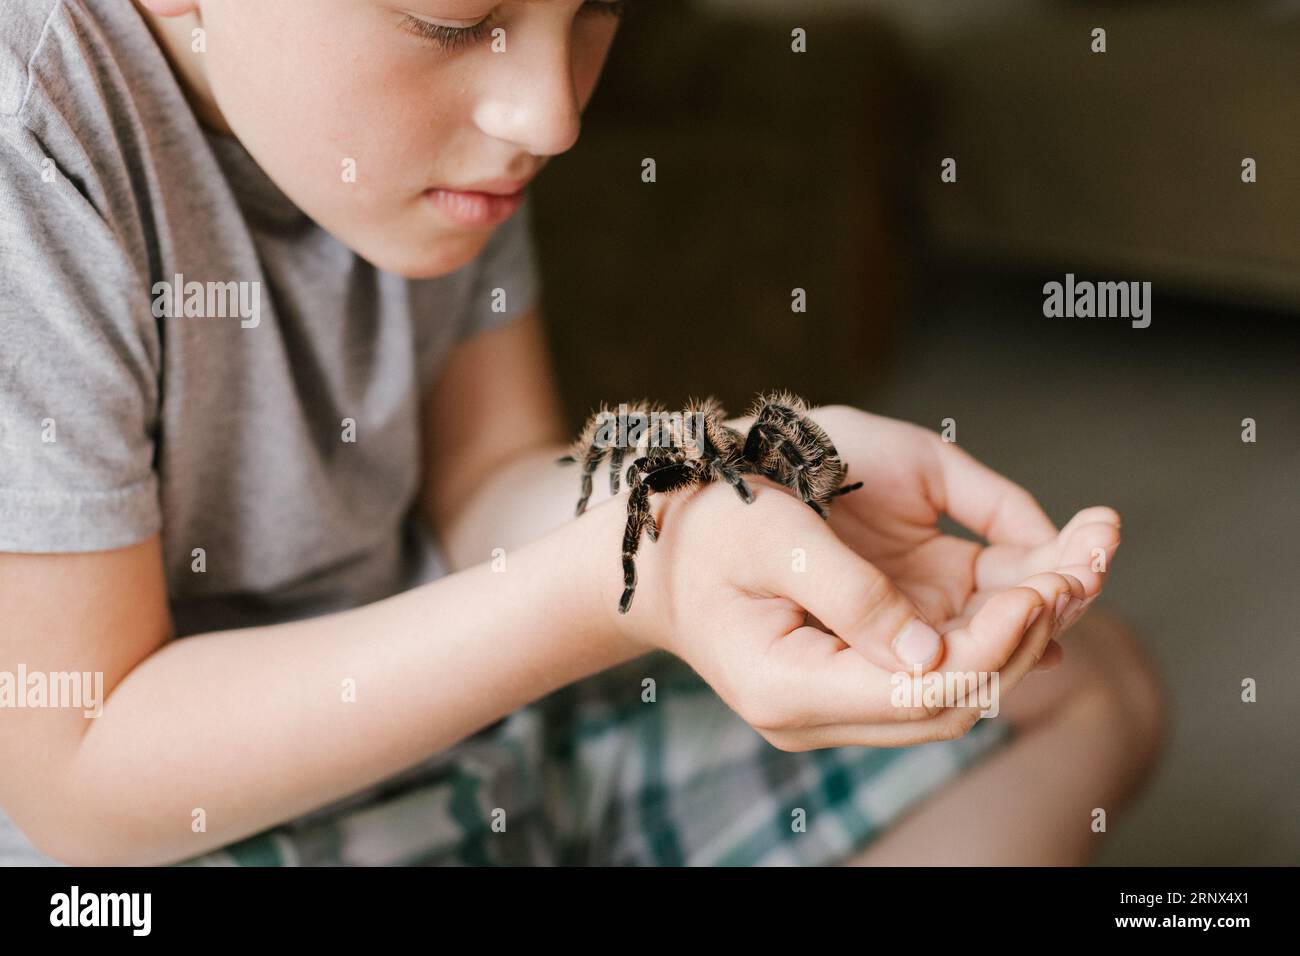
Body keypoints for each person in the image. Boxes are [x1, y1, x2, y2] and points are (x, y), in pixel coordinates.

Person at [0, 0, 1164, 866]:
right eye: (457, 19)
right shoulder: (34, 132)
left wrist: (724, 489)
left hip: (472, 733)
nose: (550, 112)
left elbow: (490, 484)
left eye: (599, 5)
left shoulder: (468, 144)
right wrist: (616, 589)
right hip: (186, 832)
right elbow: (79, 768)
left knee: (1085, 687)